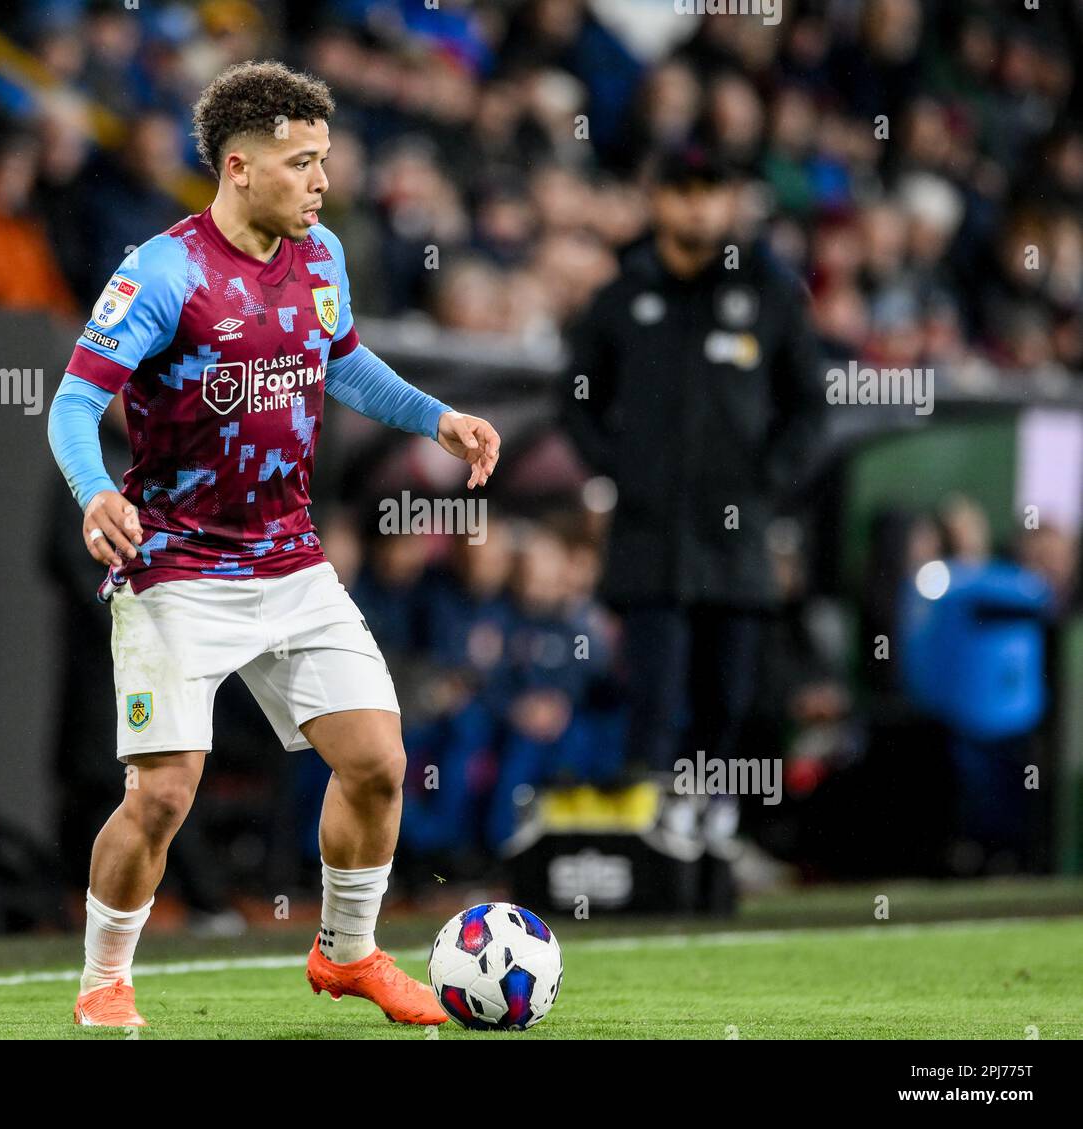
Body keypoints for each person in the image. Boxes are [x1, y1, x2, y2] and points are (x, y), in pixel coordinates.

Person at [46, 61, 500, 1027]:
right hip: (174, 566)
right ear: (240, 167)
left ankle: (347, 954)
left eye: (326, 161)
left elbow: (339, 359)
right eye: (303, 163)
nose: (323, 181)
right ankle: (104, 977)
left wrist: (435, 417)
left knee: (378, 757)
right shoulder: (164, 271)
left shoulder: (324, 251)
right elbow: (76, 402)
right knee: (164, 792)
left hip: (289, 559)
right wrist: (93, 494)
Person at [559, 144, 825, 819]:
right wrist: (620, 467)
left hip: (736, 542)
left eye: (711, 189)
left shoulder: (768, 295)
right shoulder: (622, 297)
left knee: (729, 696)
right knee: (651, 696)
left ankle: (710, 832)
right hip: (649, 536)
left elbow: (808, 407)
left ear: (730, 201)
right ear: (659, 199)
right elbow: (576, 397)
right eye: (683, 189)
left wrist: (767, 482)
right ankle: (649, 839)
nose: (697, 204)